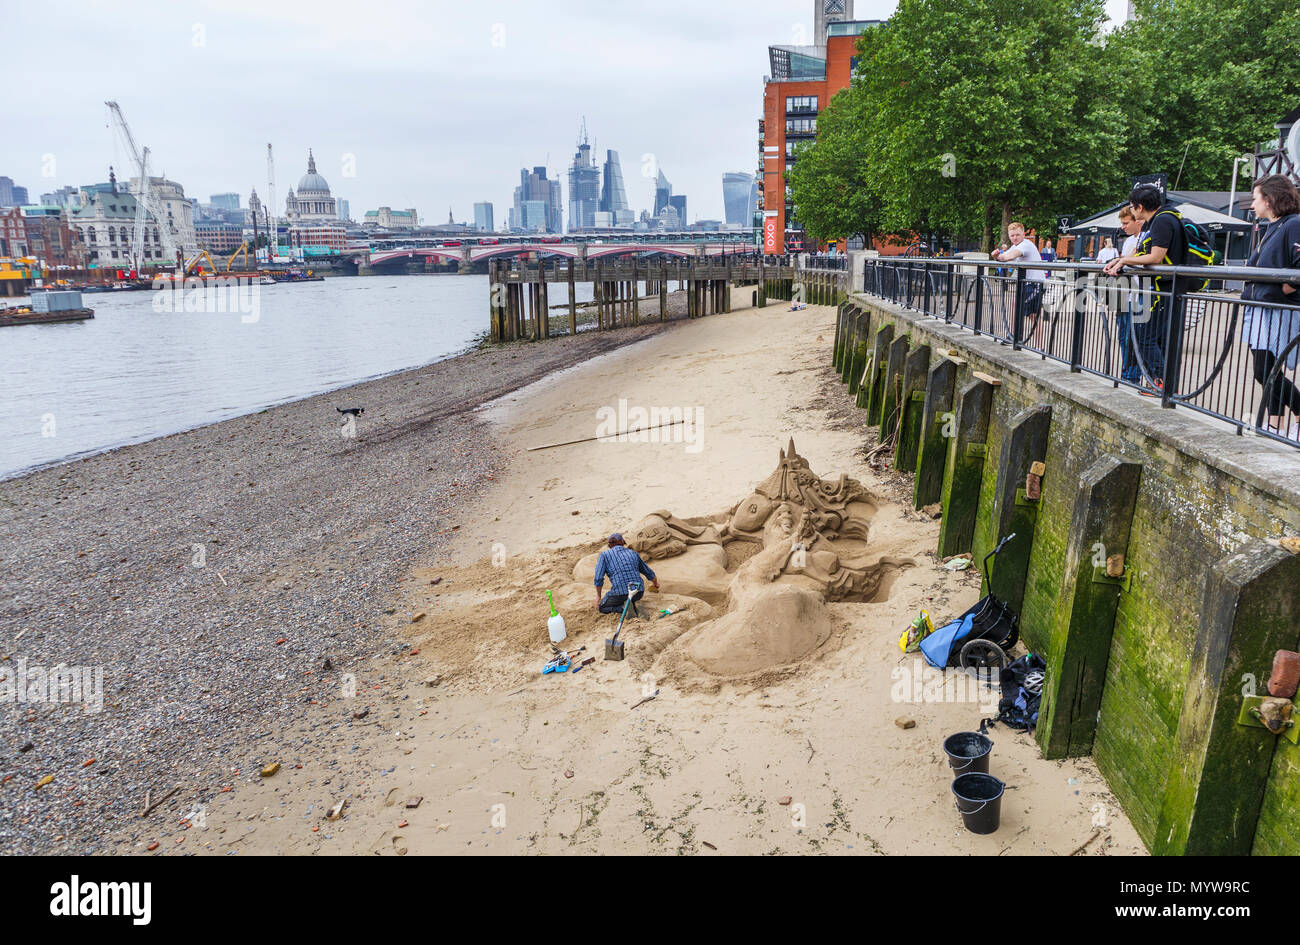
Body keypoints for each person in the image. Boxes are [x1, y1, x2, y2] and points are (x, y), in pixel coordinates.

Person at [1103, 184, 1191, 392]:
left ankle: (1162, 383)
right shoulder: (1169, 216)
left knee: (1145, 336)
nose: (1132, 212)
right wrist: (1122, 259)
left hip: (1164, 289)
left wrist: (1124, 261)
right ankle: (1159, 382)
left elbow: (1156, 257)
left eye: (1132, 208)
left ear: (1140, 207)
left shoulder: (1161, 221)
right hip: (1166, 287)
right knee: (1154, 337)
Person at [1240, 174, 1300, 438]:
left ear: (1270, 198)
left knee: (1265, 370)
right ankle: (1276, 424)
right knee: (1267, 370)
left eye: (1255, 198)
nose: (1253, 205)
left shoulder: (1293, 223)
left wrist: (1283, 290)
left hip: (1276, 307)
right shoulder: (1273, 226)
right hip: (1262, 306)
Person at [990, 222, 1047, 338]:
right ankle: (1014, 336)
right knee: (1018, 306)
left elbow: (1009, 256)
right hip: (1027, 284)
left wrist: (1000, 256)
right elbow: (1004, 257)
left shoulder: (1025, 245)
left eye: (1017, 235)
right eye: (1012, 236)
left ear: (1023, 234)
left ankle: (1035, 345)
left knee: (1033, 315)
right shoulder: (1015, 245)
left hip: (1036, 284)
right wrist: (996, 256)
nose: (1015, 238)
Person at [593, 532, 659, 614]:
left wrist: (598, 596)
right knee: (627, 598)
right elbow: (648, 572)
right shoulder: (633, 553)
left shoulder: (604, 555)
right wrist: (655, 584)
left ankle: (624, 608)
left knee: (603, 607)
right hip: (638, 592)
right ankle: (633, 604)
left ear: (609, 545)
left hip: (620, 594)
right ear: (622, 542)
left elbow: (598, 578)